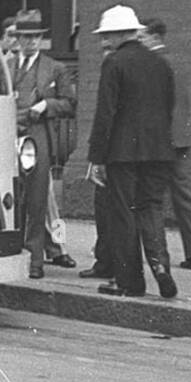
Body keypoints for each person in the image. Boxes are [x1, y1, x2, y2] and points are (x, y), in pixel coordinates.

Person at [86, 4, 177, 298]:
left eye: (107, 36)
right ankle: (161, 267)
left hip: (123, 153)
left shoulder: (114, 63)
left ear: (122, 33)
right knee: (151, 209)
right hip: (159, 151)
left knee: (122, 213)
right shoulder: (161, 64)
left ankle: (129, 281)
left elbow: (106, 114)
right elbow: (168, 107)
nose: (103, 42)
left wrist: (97, 158)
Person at [10, 10, 77, 278]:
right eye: (26, 37)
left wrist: (47, 105)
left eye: (36, 37)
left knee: (40, 200)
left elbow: (69, 103)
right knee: (11, 198)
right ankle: (13, 253)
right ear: (17, 40)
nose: (31, 42)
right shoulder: (5, 65)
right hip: (9, 135)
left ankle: (40, 257)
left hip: (38, 137)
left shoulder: (55, 68)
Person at [140, 17, 191, 270]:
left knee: (150, 199)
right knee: (186, 197)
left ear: (155, 37)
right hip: (180, 138)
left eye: (142, 37)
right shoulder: (175, 63)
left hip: (162, 140)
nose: (140, 42)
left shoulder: (153, 64)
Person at [79, 39, 117, 279]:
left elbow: (106, 118)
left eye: (110, 49)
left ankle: (109, 263)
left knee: (110, 211)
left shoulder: (115, 75)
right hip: (108, 154)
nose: (106, 55)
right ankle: (104, 261)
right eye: (103, 49)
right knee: (103, 211)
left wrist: (97, 158)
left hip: (114, 156)